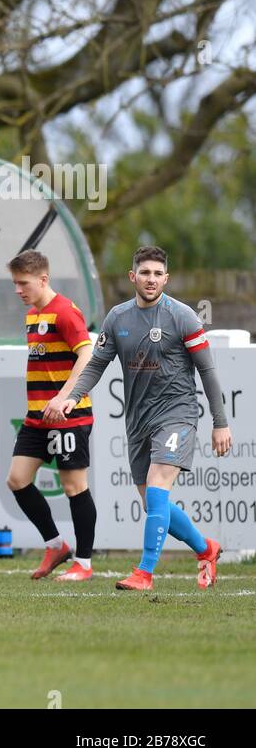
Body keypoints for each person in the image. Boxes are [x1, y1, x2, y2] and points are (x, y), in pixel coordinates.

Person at [46, 245, 231, 591]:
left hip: (177, 414)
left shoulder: (184, 317)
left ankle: (144, 573)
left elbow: (207, 371)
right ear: (133, 276)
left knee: (159, 490)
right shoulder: (117, 318)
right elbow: (96, 363)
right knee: (152, 504)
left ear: (167, 278)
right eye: (145, 273)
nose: (151, 279)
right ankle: (207, 549)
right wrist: (72, 396)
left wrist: (220, 422)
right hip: (137, 420)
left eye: (158, 274)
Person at [5, 251, 99, 581]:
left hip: (69, 415)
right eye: (15, 283)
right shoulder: (33, 314)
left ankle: (84, 563)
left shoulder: (65, 312)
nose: (18, 289)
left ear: (43, 279)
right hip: (38, 416)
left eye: (23, 283)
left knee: (74, 486)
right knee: (17, 479)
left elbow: (87, 355)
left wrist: (64, 397)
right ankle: (56, 545)